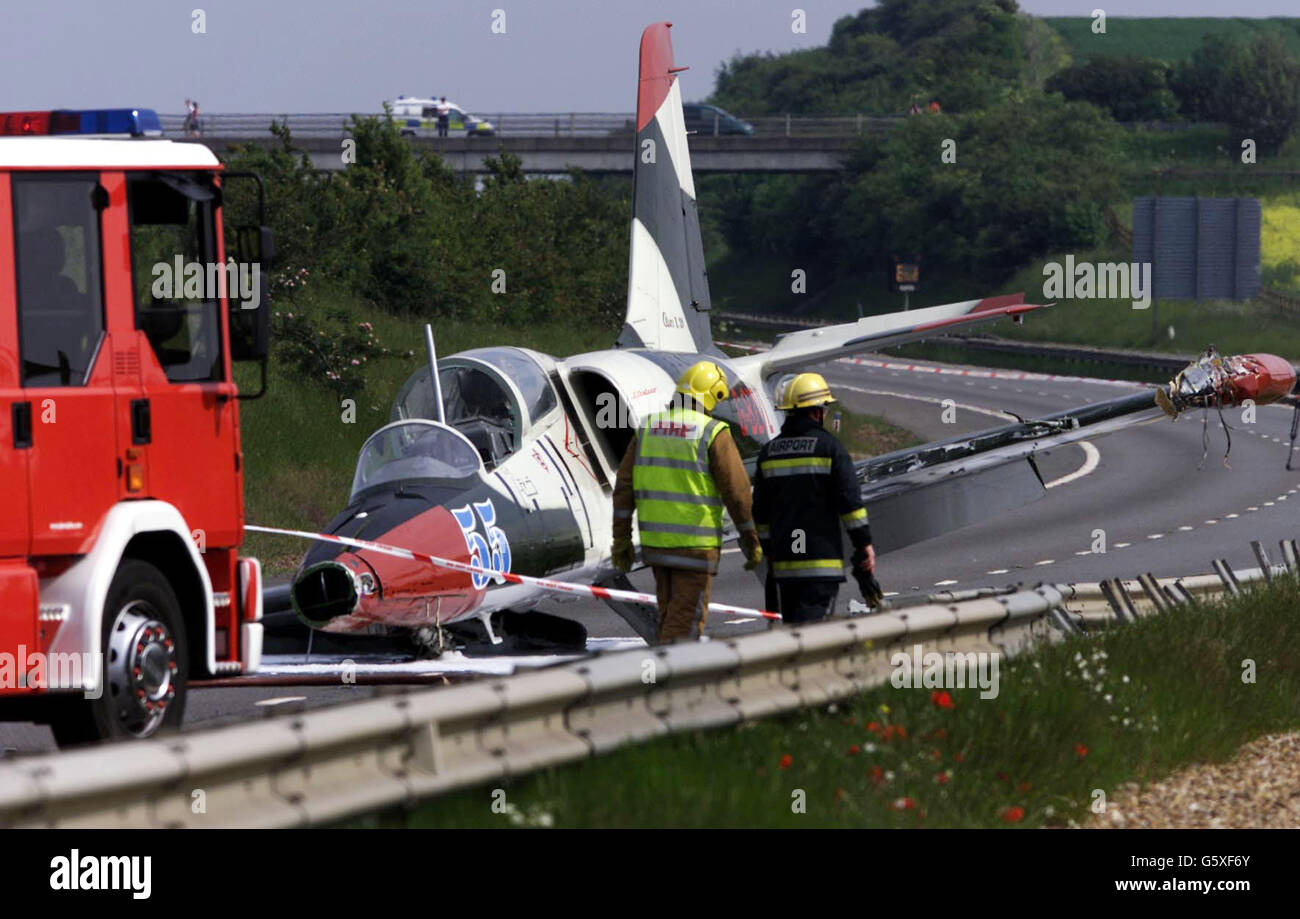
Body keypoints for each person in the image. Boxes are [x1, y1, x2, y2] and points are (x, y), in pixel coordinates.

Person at [611, 360, 762, 642]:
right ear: (710, 396)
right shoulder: (712, 432)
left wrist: (621, 539)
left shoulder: (647, 429)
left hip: (656, 548)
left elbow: (624, 488)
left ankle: (660, 678)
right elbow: (738, 493)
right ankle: (671, 681)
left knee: (669, 615)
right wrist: (750, 537)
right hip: (694, 549)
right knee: (684, 625)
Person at [752, 373, 877, 624]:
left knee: (791, 633)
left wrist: (769, 551)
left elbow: (760, 513)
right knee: (814, 636)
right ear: (817, 412)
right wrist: (863, 545)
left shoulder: (769, 453)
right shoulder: (830, 449)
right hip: (821, 566)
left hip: (784, 569)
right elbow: (850, 505)